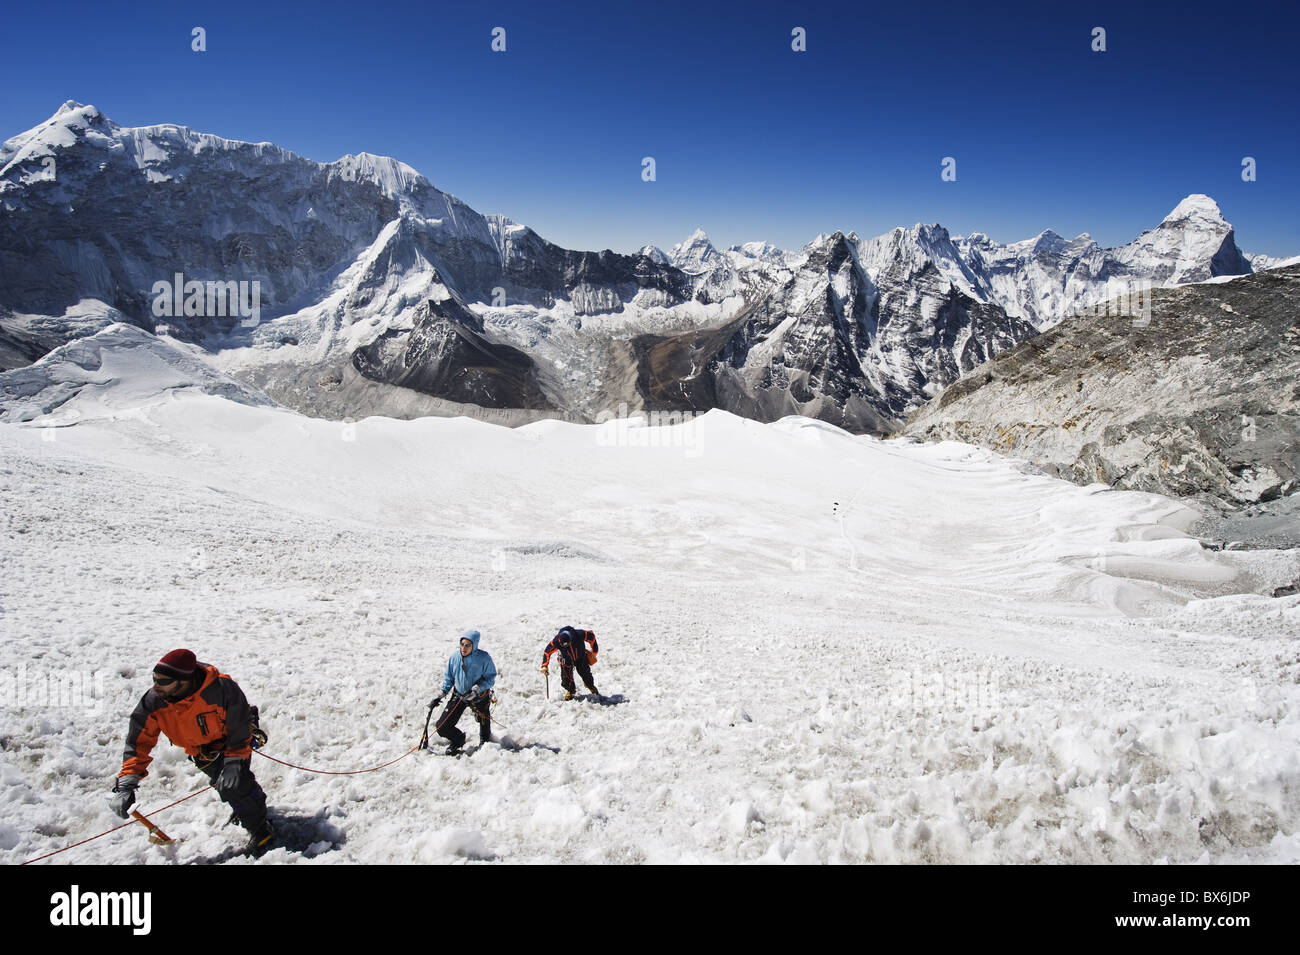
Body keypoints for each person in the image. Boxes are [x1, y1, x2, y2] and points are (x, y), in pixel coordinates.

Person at [109, 649, 274, 857]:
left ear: (183, 680)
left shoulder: (221, 689)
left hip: (234, 743)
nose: (156, 686)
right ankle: (245, 807)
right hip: (203, 753)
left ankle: (261, 830)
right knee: (226, 784)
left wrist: (234, 762)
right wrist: (126, 782)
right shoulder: (154, 701)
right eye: (154, 679)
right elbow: (138, 742)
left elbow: (240, 726)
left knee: (237, 784)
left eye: (163, 681)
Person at [430, 629, 497, 754]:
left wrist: (477, 689)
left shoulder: (484, 658)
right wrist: (442, 693)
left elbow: (490, 678)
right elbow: (449, 677)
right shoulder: (455, 657)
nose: (463, 648)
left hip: (479, 697)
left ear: (474, 645)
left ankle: (485, 742)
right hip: (459, 695)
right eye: (462, 644)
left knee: (484, 723)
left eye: (467, 645)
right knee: (442, 726)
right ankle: (458, 739)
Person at [540, 625, 599, 700]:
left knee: (586, 673)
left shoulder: (579, 634)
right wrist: (544, 665)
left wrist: (594, 651)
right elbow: (547, 652)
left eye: (568, 645)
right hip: (566, 660)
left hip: (580, 656)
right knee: (566, 677)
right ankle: (570, 690)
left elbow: (591, 636)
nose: (566, 647)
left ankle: (590, 686)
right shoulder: (556, 641)